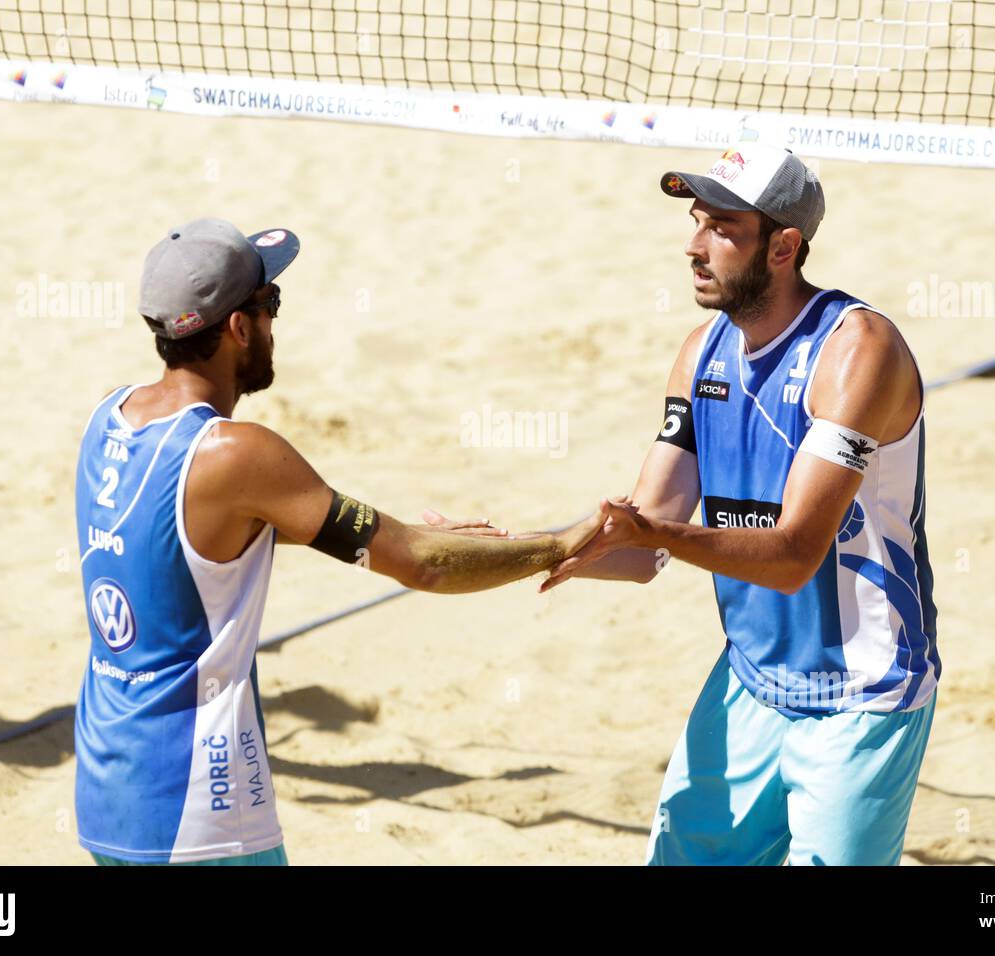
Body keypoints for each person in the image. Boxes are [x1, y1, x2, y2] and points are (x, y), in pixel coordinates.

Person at [74, 218, 602, 865]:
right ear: (239, 329)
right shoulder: (234, 454)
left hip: (106, 791)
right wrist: (558, 544)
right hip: (197, 811)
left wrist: (402, 533)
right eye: (271, 306)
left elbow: (192, 541)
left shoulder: (110, 417)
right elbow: (424, 568)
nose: (274, 324)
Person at [540, 144, 942, 865]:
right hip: (750, 683)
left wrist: (655, 530)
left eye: (721, 228)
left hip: (860, 697)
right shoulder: (702, 354)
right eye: (697, 221)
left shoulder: (858, 351)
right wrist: (510, 548)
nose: (693, 246)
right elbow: (637, 548)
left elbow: (791, 557)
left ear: (784, 246)